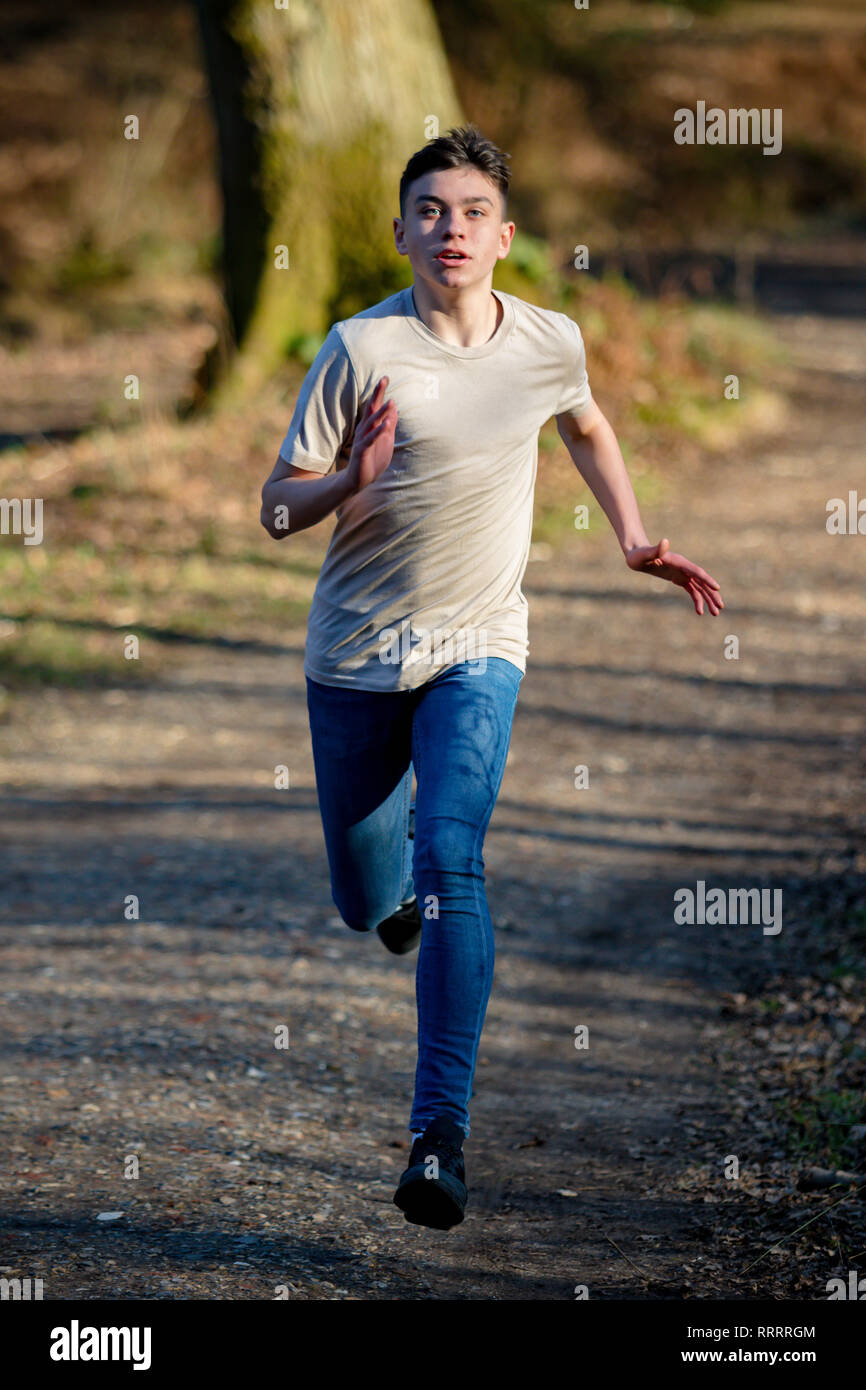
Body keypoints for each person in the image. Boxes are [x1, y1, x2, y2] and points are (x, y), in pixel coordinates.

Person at [260, 124, 724, 1231]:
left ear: (504, 237)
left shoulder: (546, 339)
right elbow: (277, 507)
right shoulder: (358, 350)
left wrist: (632, 536)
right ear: (400, 231)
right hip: (356, 661)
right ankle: (389, 903)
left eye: (470, 211)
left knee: (453, 853)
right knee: (363, 890)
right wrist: (349, 481)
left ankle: (437, 1136)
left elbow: (587, 423)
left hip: (479, 644)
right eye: (429, 209)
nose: (449, 228)